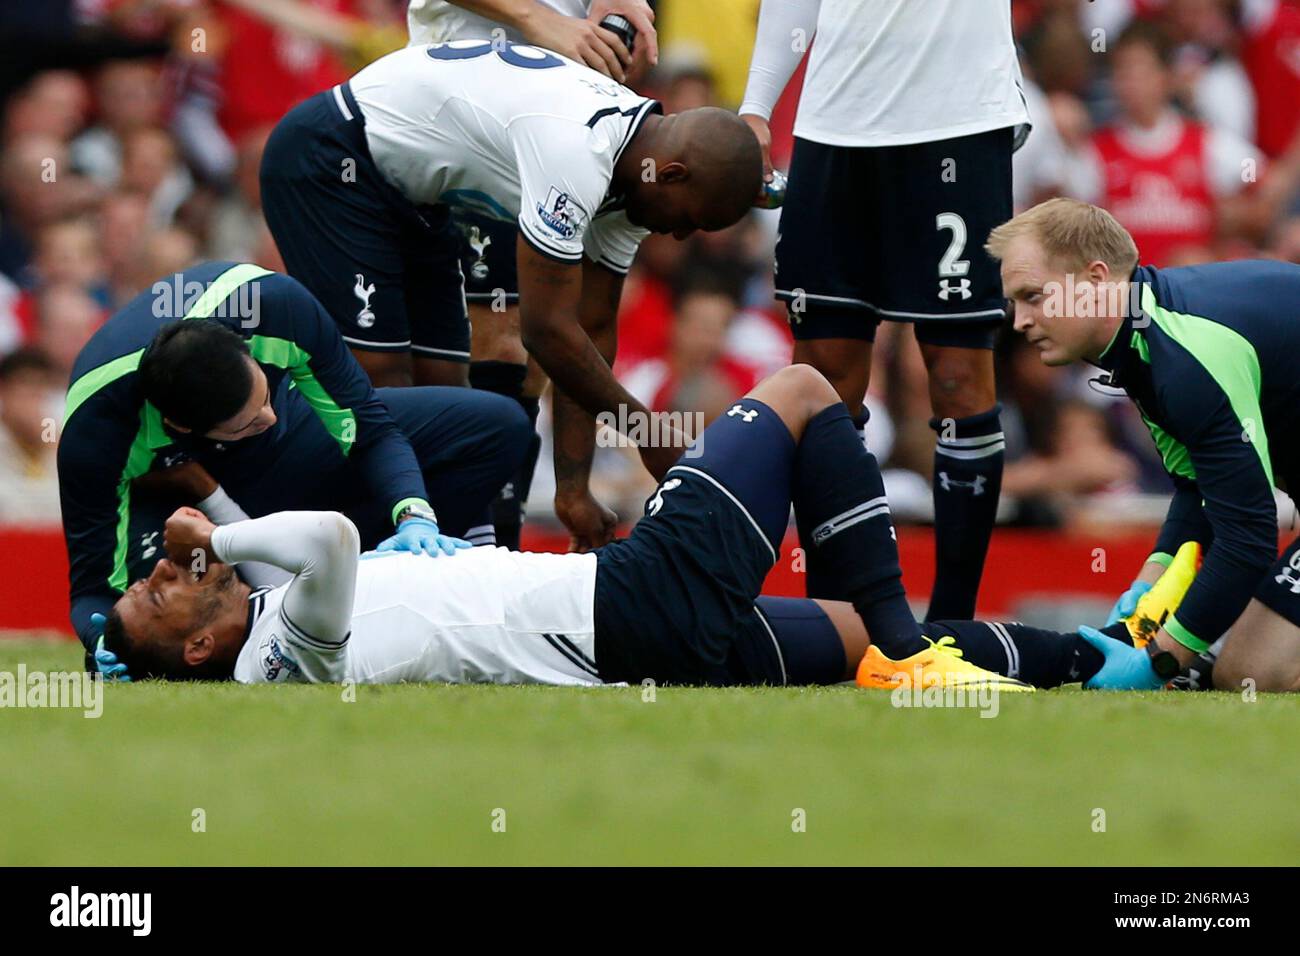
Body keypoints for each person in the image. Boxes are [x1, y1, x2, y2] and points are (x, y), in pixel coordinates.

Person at [104, 362, 1150, 694]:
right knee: (798, 389)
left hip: (625, 644)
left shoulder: (272, 630)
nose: (167, 566)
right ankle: (919, 652)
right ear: (200, 641)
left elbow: (286, 550)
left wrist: (210, 509)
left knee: (848, 636)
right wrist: (219, 539)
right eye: (158, 590)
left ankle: (1104, 662)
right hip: (624, 598)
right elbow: (329, 534)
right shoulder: (281, 652)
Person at [259, 37, 763, 551]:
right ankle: (334, 540)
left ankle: (448, 546)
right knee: (383, 378)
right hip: (335, 157)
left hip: (417, 195)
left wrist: (573, 489)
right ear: (673, 175)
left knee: (447, 389)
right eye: (688, 221)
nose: (678, 237)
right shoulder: (578, 151)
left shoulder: (639, 170)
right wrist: (646, 430)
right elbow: (545, 331)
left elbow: (589, 336)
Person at [60, 261, 531, 659]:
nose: (264, 415)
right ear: (178, 426)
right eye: (246, 421)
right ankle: (286, 614)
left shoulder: (277, 307)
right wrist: (106, 643)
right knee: (163, 625)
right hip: (173, 504)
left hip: (286, 447)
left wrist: (413, 513)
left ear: (246, 349)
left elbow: (370, 430)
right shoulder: (95, 436)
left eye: (263, 394)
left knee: (501, 427)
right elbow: (91, 592)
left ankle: (367, 583)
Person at [738, 0, 1030, 621]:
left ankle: (954, 626)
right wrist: (757, 104)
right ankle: (834, 617)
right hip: (836, 123)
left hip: (959, 122)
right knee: (824, 379)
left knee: (956, 375)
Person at [988, 197, 1300, 692]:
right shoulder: (1144, 336)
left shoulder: (1182, 354)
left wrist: (1160, 659)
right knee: (1241, 668)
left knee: (1254, 670)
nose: (1020, 321)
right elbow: (1195, 491)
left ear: (1094, 280)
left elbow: (1249, 536)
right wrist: (1147, 584)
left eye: (1033, 296)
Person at [404, 1, 658, 549]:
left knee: (529, 357)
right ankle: (452, 547)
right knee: (492, 338)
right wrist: (538, 19)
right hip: (459, 104)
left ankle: (497, 543)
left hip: (561, 109)